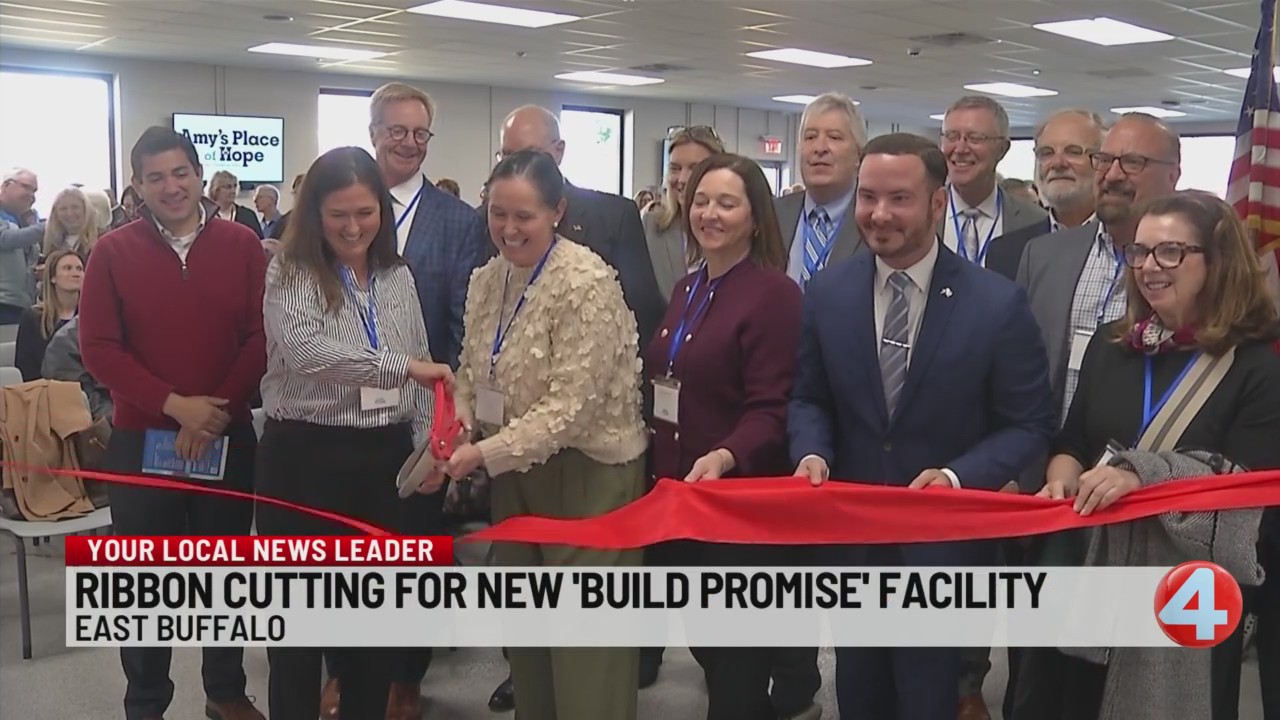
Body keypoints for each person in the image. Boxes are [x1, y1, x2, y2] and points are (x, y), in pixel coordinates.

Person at [788, 132, 1054, 719]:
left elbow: (1030, 423)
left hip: (943, 549)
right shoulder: (827, 292)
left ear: (937, 203)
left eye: (900, 199)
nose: (879, 215)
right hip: (853, 542)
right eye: (868, 197)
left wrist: (959, 477)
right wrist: (811, 451)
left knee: (928, 697)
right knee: (857, 694)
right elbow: (809, 397)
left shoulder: (996, 304)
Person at [1030, 190, 1280, 720]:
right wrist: (1063, 477)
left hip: (1188, 588)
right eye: (1139, 252)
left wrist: (1143, 477)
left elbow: (1249, 493)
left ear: (1218, 263)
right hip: (1090, 566)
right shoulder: (1111, 345)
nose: (1148, 266)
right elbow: (1073, 441)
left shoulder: (1258, 365)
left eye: (1169, 252)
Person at [444, 149, 648, 720]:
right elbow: (470, 369)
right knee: (528, 631)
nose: (508, 229)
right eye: (497, 213)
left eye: (524, 216)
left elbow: (571, 410)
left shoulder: (586, 282)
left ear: (557, 211)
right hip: (515, 467)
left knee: (585, 642)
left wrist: (481, 452)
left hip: (589, 475)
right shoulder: (488, 279)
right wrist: (460, 422)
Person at [256, 145, 453, 720]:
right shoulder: (290, 270)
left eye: (365, 212)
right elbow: (304, 351)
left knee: (372, 625)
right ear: (312, 212)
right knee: (298, 630)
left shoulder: (396, 275)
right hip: (304, 458)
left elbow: (421, 360)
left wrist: (427, 446)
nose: (352, 226)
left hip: (381, 460)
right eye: (337, 213)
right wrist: (398, 367)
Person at [79, 126, 266, 720]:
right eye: (155, 176)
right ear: (136, 185)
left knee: (224, 571)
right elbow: (100, 348)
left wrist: (213, 411)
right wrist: (176, 406)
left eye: (180, 172)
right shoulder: (112, 252)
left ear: (198, 174)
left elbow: (262, 338)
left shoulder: (242, 246)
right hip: (142, 440)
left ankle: (226, 693)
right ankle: (147, 702)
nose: (171, 186)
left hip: (227, 435)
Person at [644, 152, 816, 720]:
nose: (708, 214)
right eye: (699, 201)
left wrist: (726, 454)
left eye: (726, 202)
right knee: (709, 647)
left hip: (736, 508)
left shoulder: (773, 294)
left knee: (736, 661)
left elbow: (773, 406)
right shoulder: (688, 287)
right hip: (679, 498)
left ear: (755, 215)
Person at [777, 92, 866, 288]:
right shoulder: (771, 215)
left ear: (858, 155)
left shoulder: (873, 220)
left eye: (834, 137)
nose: (820, 147)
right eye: (810, 137)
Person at [644, 125, 725, 300]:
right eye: (675, 168)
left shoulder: (734, 231)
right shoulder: (651, 226)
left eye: (694, 168)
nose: (682, 179)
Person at [14, 249, 81, 381]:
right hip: (46, 392)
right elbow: (26, 368)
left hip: (89, 393)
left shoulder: (93, 317)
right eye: (68, 268)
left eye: (79, 269)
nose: (76, 273)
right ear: (53, 277)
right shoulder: (33, 317)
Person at [41, 186, 99, 261]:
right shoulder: (49, 244)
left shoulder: (101, 241)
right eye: (63, 209)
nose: (69, 213)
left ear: (86, 209)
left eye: (75, 207)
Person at [207, 170, 264, 238]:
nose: (233, 191)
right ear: (216, 190)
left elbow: (259, 243)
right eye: (228, 187)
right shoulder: (206, 216)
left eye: (235, 186)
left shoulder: (247, 215)